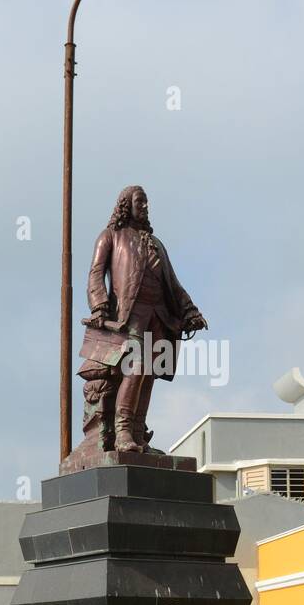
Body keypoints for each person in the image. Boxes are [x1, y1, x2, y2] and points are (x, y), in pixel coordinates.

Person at [77, 185, 207, 453]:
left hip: (159, 315)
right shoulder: (111, 236)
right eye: (140, 201)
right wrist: (100, 306)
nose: (145, 206)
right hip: (129, 315)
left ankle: (138, 432)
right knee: (136, 366)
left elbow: (172, 282)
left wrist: (189, 310)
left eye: (147, 202)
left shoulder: (156, 244)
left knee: (150, 373)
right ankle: (122, 431)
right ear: (126, 203)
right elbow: (95, 273)